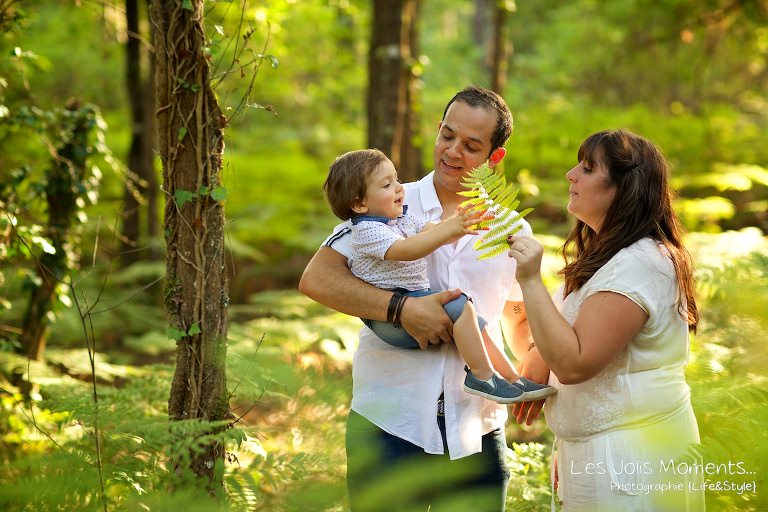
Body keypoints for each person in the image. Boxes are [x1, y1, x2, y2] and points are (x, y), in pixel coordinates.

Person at [299, 85, 533, 511]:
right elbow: (317, 279)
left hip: (476, 431)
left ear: (494, 158)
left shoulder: (513, 228)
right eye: (447, 135)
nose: (452, 151)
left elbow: (518, 317)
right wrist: (401, 309)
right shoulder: (384, 201)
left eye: (471, 145)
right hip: (390, 424)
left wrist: (535, 369)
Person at [507, 129, 705, 511]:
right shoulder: (602, 262)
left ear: (623, 188)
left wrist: (530, 278)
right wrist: (506, 289)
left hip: (634, 464)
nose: (570, 175)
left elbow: (573, 364)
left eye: (586, 167)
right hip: (598, 459)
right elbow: (540, 349)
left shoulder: (641, 263)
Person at [323, 148, 556, 404]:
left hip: (414, 297)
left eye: (397, 179)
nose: (400, 188)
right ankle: (481, 377)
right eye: (388, 184)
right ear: (360, 204)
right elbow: (406, 250)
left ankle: (513, 380)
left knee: (475, 322)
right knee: (461, 306)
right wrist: (448, 231)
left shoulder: (397, 218)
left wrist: (459, 224)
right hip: (390, 319)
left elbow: (430, 228)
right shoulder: (367, 231)